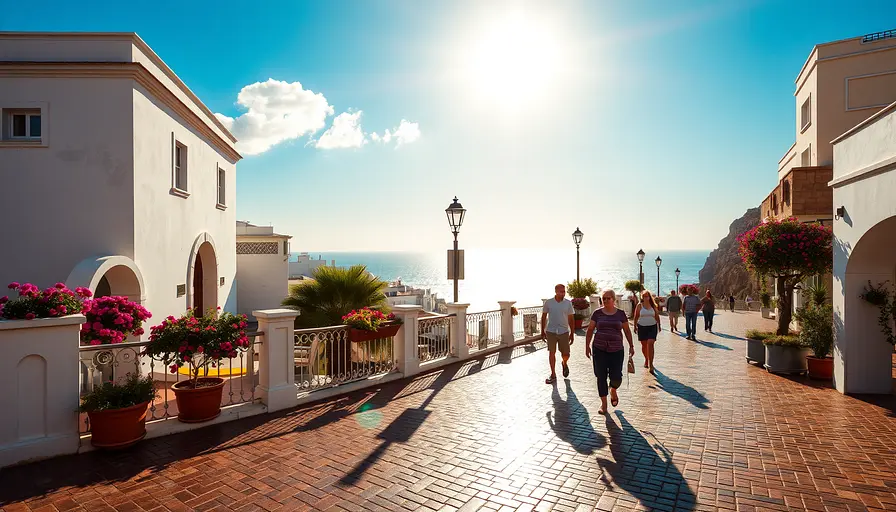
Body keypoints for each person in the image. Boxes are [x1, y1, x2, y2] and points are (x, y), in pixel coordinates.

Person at [585, 290, 634, 414]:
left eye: (608, 298)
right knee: (600, 377)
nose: (605, 301)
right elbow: (590, 329)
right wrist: (587, 345)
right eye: (604, 299)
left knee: (616, 377)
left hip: (616, 350)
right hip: (599, 349)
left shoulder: (621, 314)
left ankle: (613, 389)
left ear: (614, 300)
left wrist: (631, 345)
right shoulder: (597, 313)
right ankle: (604, 405)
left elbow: (627, 331)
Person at [541, 284, 575, 384]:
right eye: (561, 292)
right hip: (551, 331)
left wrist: (572, 333)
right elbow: (543, 316)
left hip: (564, 331)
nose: (563, 293)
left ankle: (564, 363)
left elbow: (571, 319)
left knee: (566, 354)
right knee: (552, 352)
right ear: (556, 291)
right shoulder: (549, 303)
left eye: (564, 291)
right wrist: (542, 331)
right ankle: (553, 374)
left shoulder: (568, 303)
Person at [633, 290, 661, 374]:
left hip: (652, 326)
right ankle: (646, 359)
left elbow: (656, 316)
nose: (646, 298)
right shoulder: (639, 306)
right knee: (644, 345)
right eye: (644, 296)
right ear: (642, 297)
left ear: (649, 297)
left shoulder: (653, 306)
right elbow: (636, 316)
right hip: (642, 327)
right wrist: (634, 326)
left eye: (647, 296)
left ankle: (651, 364)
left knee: (650, 343)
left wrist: (659, 325)